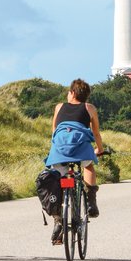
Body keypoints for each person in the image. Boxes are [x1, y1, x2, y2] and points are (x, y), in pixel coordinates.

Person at [44, 78, 105, 245]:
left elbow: (54, 132)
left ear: (72, 93)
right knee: (89, 166)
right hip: (80, 149)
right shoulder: (89, 108)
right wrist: (99, 149)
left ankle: (58, 220)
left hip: (60, 151)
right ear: (86, 95)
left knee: (60, 180)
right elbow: (96, 133)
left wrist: (55, 151)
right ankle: (91, 202)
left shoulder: (59, 107)